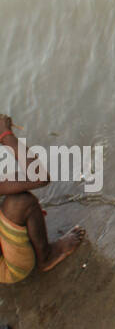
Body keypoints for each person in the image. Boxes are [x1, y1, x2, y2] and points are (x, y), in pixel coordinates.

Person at [0, 115, 85, 284]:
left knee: (16, 197)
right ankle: (46, 257)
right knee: (20, 203)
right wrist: (7, 136)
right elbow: (39, 177)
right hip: (10, 269)